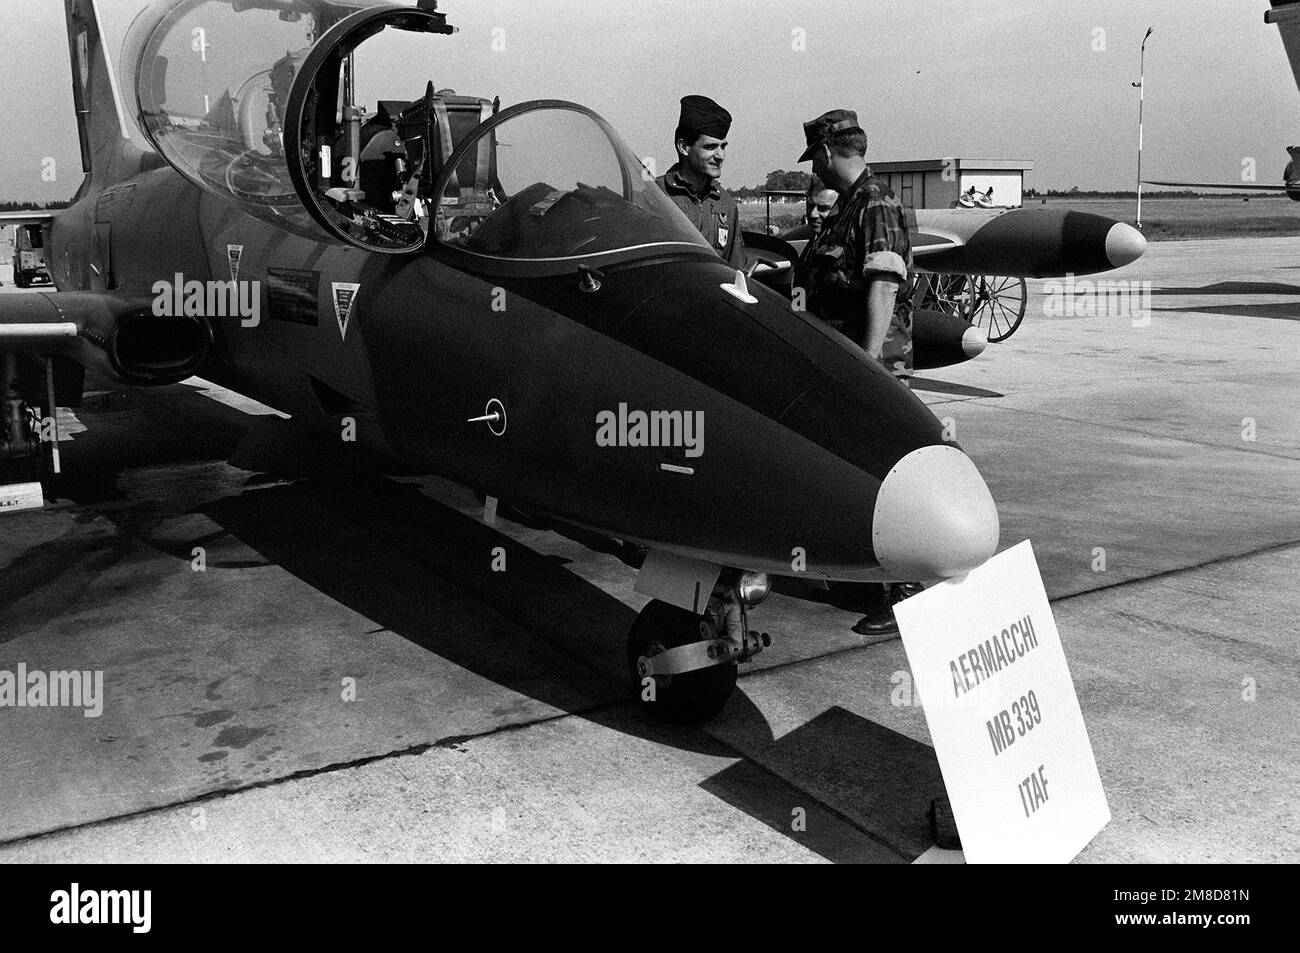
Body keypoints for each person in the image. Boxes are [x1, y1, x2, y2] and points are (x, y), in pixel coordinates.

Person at [793, 109, 920, 633]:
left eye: (814, 160)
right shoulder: (850, 205)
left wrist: (866, 368)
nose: (814, 171)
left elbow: (885, 285)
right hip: (844, 363)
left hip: (872, 367)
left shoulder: (874, 203)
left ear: (825, 152)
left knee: (886, 474)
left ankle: (905, 592)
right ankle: (864, 577)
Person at [656, 95, 746, 269]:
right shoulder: (655, 197)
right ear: (683, 147)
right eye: (710, 147)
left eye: (723, 146)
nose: (720, 156)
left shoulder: (726, 204)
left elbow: (737, 272)